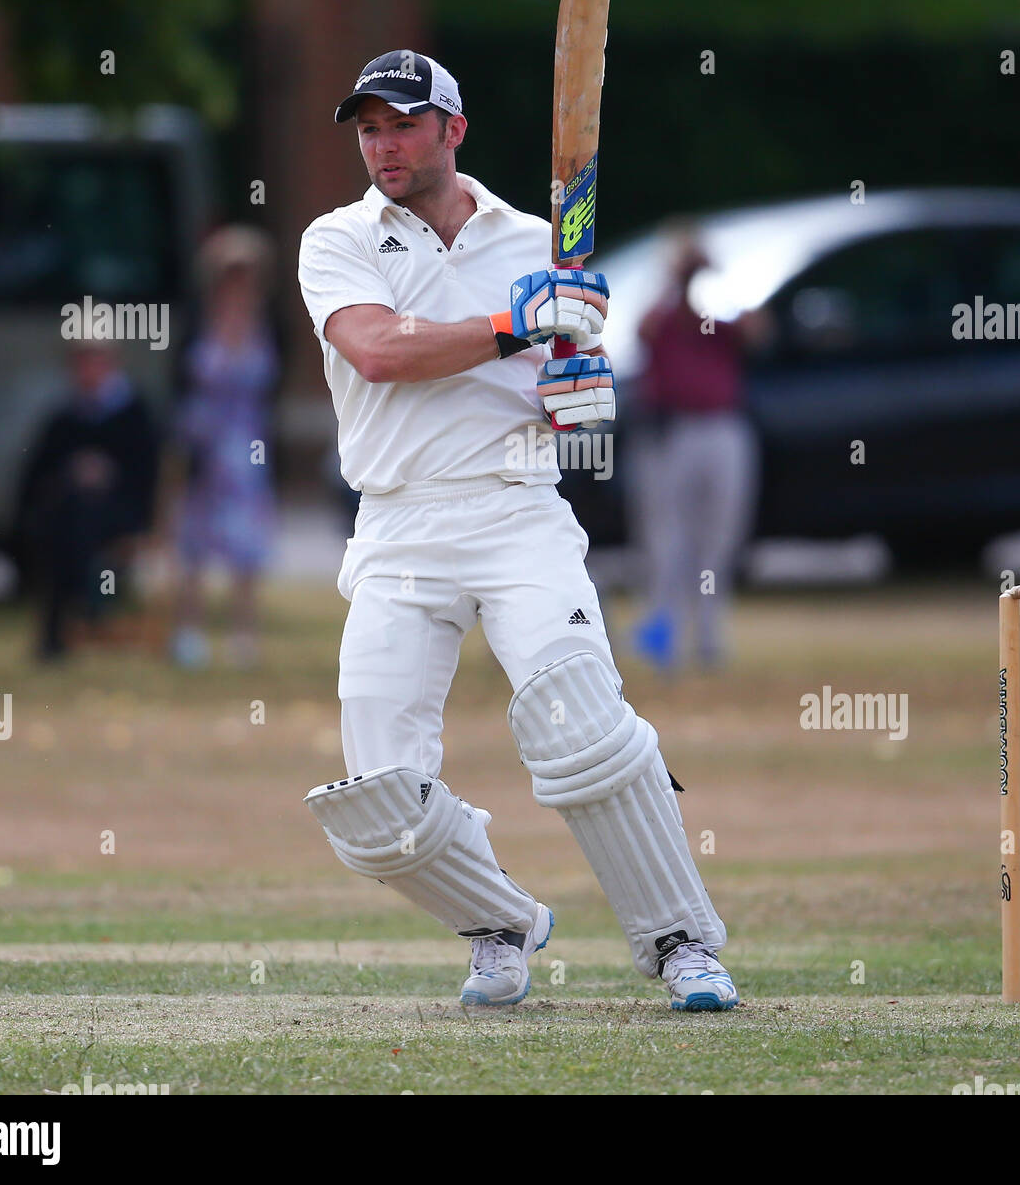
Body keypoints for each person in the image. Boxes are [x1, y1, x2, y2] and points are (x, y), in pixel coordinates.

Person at [297, 50, 737, 1012]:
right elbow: (376, 352)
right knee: (375, 800)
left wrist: (578, 390)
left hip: (515, 508)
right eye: (369, 128)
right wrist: (515, 323)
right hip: (399, 521)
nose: (383, 145)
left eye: (403, 124)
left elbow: (570, 391)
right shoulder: (336, 240)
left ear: (453, 130)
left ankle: (683, 946)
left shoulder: (541, 242)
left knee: (579, 723)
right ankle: (500, 924)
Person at [630, 229, 769, 669]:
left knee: (720, 536)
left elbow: (758, 332)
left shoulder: (720, 309)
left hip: (723, 428)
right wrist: (675, 281)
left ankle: (709, 639)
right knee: (667, 541)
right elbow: (643, 331)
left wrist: (715, 278)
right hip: (672, 431)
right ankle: (661, 639)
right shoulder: (664, 311)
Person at [170, 226, 280, 668]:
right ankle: (188, 633)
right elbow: (179, 380)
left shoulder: (270, 323)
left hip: (247, 445)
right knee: (193, 541)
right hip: (203, 443)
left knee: (245, 544)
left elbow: (274, 381)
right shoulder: (198, 322)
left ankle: (243, 634)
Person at [15, 343, 158, 660]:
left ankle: (74, 611)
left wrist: (107, 475)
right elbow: (34, 473)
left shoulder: (134, 414)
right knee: (65, 515)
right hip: (68, 517)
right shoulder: (64, 417)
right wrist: (72, 470)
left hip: (120, 512)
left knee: (79, 513)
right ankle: (83, 603)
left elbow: (148, 473)